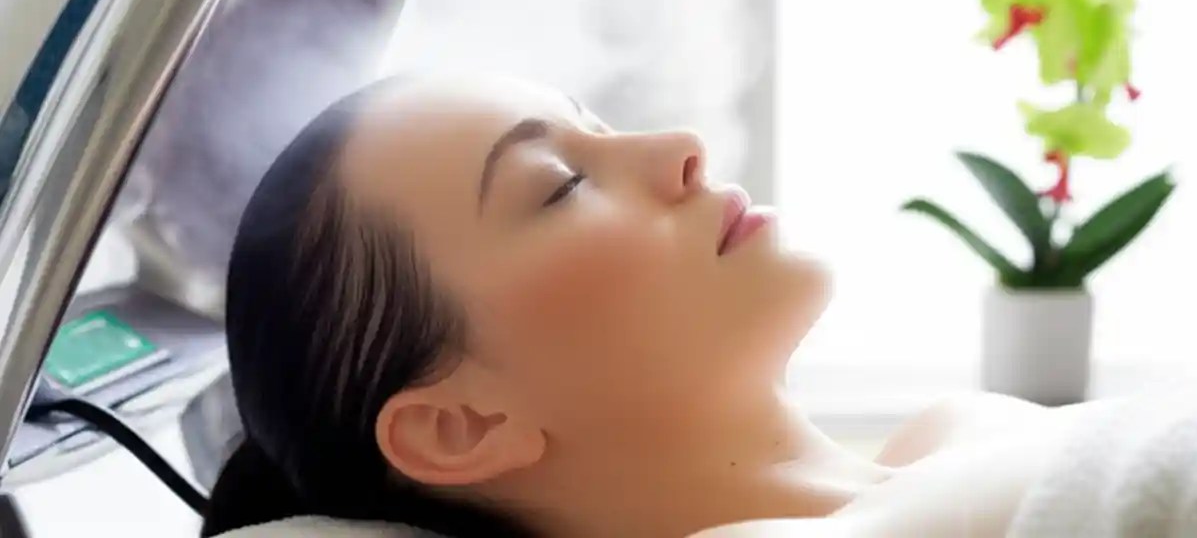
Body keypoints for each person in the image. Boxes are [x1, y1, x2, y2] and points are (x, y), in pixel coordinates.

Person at [201, 73, 1094, 538]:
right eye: (558, 187)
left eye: (603, 121)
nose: (682, 148)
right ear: (462, 424)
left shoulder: (956, 429)